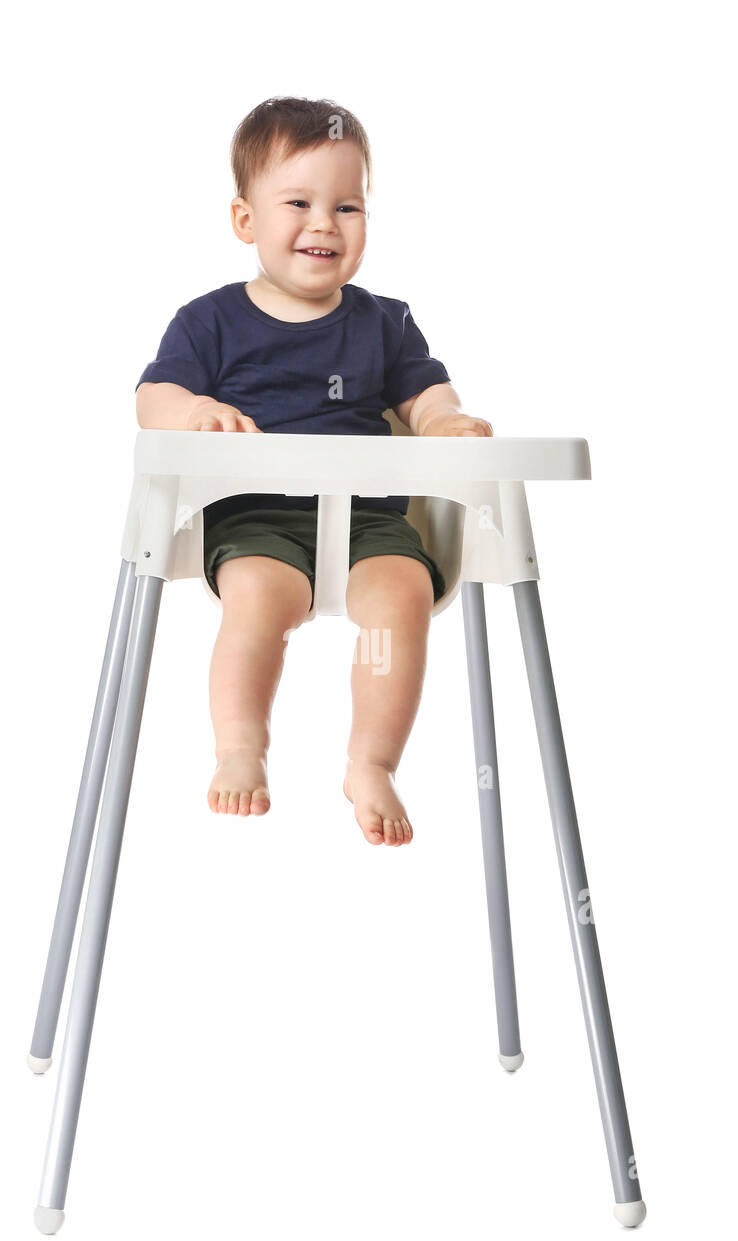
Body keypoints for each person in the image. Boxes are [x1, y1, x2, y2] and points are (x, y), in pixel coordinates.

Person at [136, 97, 492, 846]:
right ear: (246, 220)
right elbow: (152, 397)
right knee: (258, 604)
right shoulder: (210, 321)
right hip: (256, 519)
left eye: (348, 205)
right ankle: (240, 746)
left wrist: (443, 422)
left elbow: (426, 393)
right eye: (298, 202)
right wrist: (195, 409)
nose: (325, 223)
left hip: (372, 522)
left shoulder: (385, 322)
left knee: (402, 599)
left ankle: (372, 761)